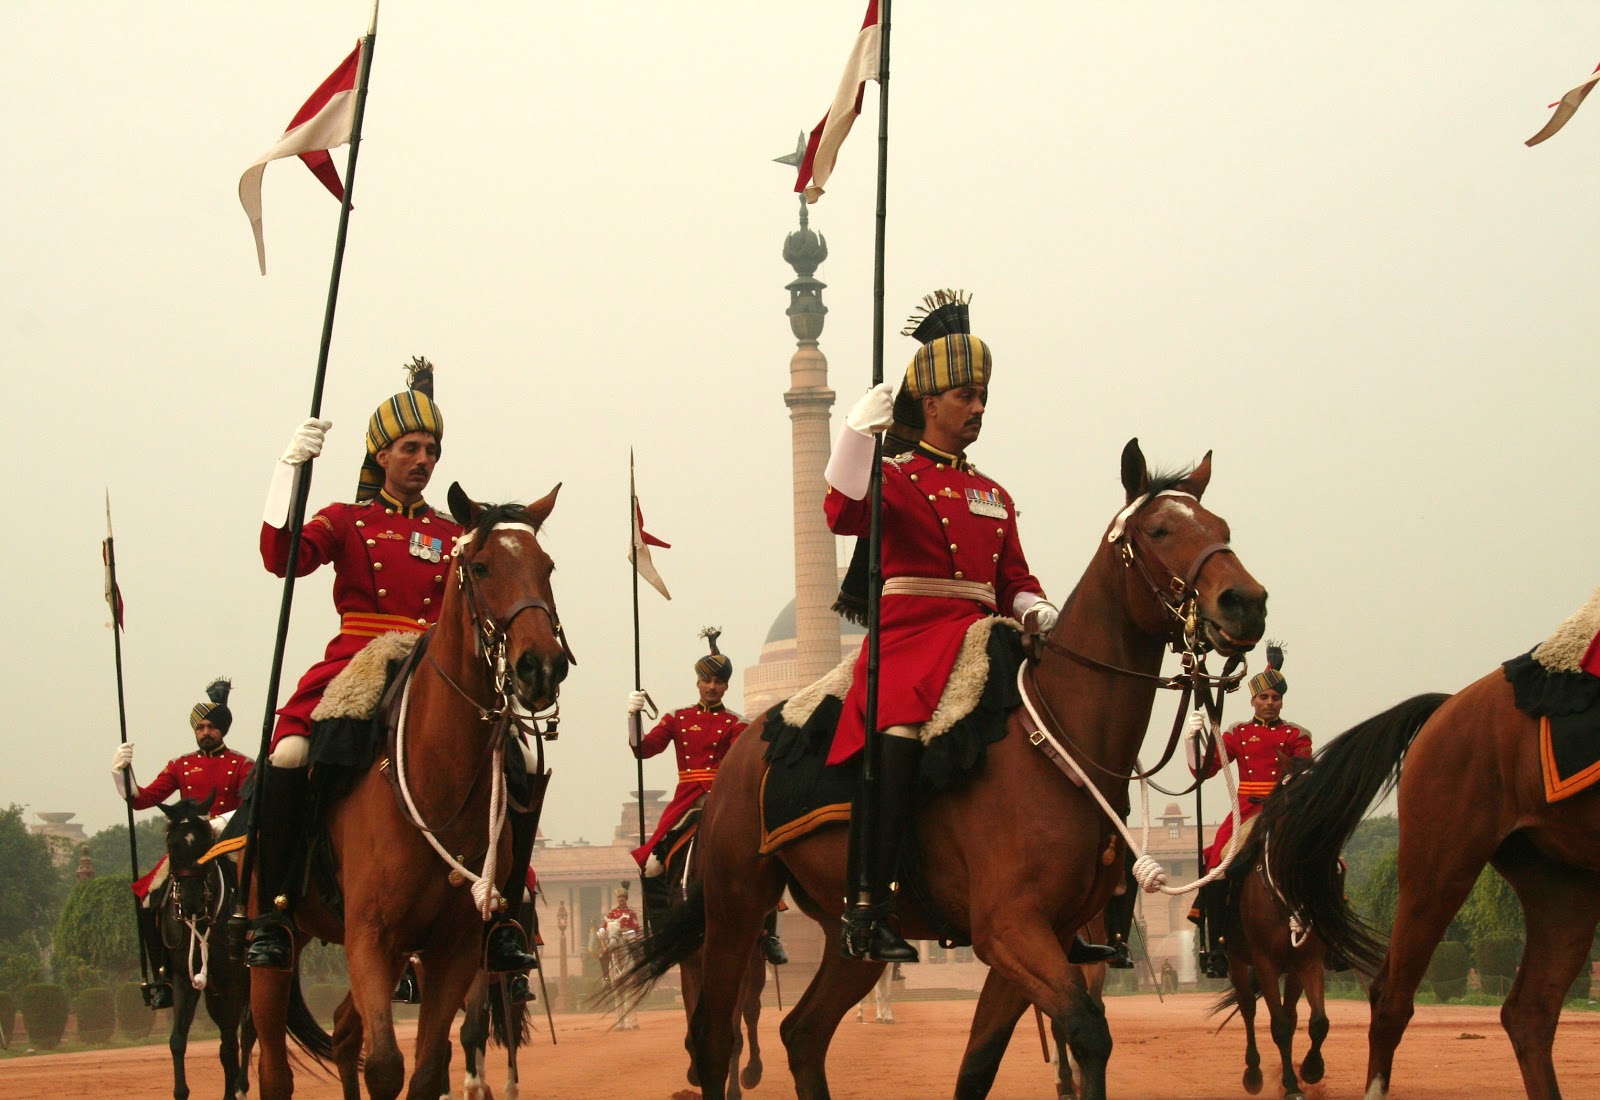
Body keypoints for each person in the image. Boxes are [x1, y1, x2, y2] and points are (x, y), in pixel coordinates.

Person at [823, 288, 1117, 966]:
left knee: (1065, 739)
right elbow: (839, 512)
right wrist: (854, 436)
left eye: (982, 396)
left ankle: (1069, 898)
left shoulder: (994, 495)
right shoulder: (893, 479)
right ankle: (869, 901)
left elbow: (1013, 579)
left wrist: (1038, 610)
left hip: (986, 639)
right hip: (911, 641)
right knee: (895, 738)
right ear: (930, 405)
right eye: (965, 396)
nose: (979, 408)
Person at [247, 359, 538, 994]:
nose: (423, 459)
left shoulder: (451, 533)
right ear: (381, 455)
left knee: (518, 763)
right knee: (292, 751)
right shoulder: (346, 520)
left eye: (432, 449)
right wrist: (287, 474)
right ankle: (274, 909)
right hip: (357, 656)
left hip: (432, 662)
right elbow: (281, 557)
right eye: (410, 447)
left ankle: (503, 918)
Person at [627, 629, 787, 965]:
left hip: (723, 799)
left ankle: (768, 935)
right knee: (653, 865)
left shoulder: (735, 723)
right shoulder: (677, 719)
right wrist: (633, 716)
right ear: (698, 683)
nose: (712, 688)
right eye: (707, 681)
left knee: (768, 856)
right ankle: (659, 940)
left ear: (726, 687)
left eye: (719, 683)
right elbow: (643, 749)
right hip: (687, 801)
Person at [111, 678, 253, 1008]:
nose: (205, 732)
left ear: (222, 730)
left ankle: (260, 956)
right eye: (200, 726)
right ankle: (162, 977)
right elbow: (142, 799)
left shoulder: (242, 764)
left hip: (228, 843)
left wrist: (219, 823)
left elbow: (251, 803)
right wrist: (122, 774)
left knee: (257, 891)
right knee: (148, 897)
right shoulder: (181, 765)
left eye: (211, 726)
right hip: (191, 849)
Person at [1187, 642, 1311, 978]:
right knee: (1218, 865)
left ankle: (1328, 937)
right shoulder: (1238, 734)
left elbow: (1303, 768)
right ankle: (1216, 947)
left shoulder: (1296, 734)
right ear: (1252, 700)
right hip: (1246, 811)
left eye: (1275, 698)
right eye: (1264, 698)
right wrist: (1192, 739)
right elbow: (1204, 770)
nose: (1270, 704)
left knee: (1327, 859)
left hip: (1284, 807)